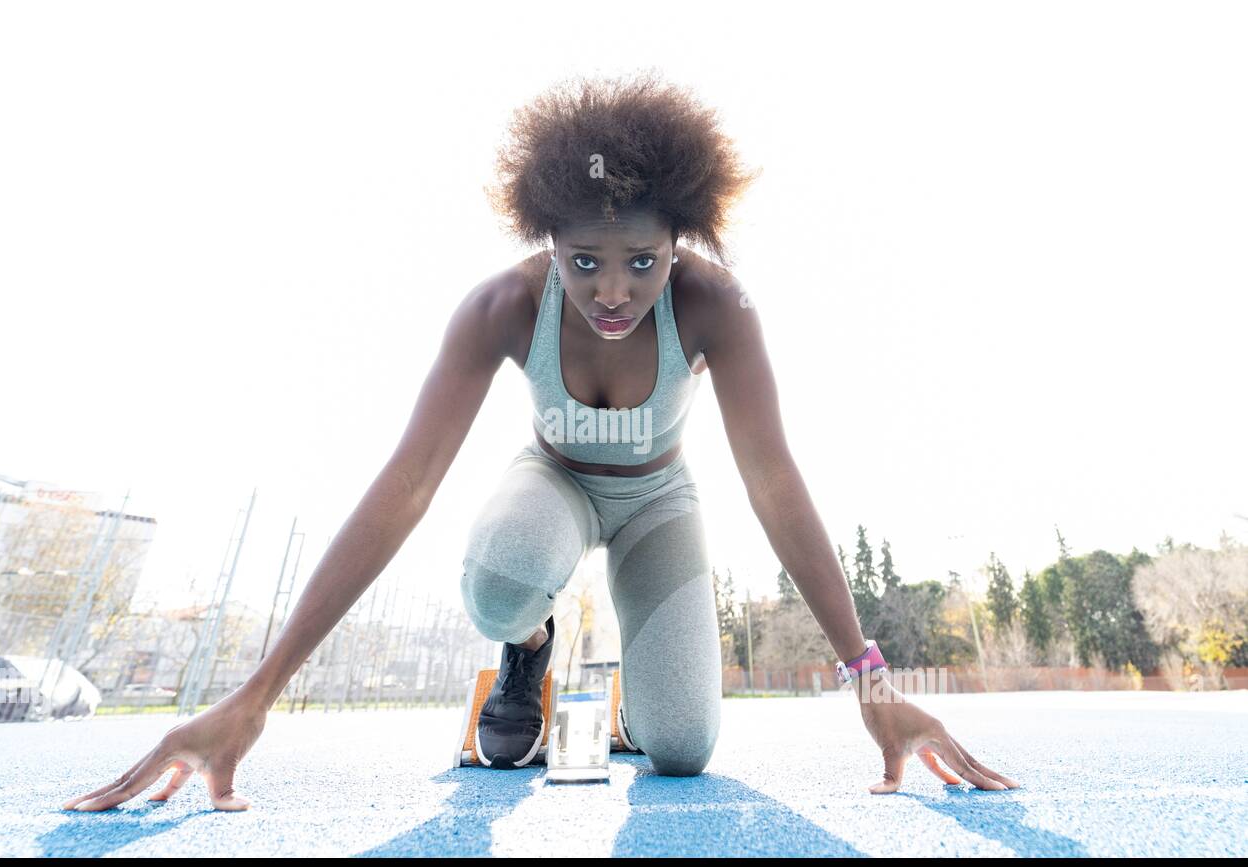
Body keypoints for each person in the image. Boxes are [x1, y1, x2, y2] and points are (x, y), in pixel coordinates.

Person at [62, 70, 1016, 813]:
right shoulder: (502, 308)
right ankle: (530, 646)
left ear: (680, 243)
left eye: (642, 261)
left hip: (658, 504)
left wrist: (870, 678)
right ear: (547, 242)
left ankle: (647, 700)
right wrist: (257, 693)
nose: (611, 290)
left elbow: (773, 485)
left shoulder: (718, 310)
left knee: (683, 752)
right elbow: (404, 486)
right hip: (552, 486)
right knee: (505, 572)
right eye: (583, 262)